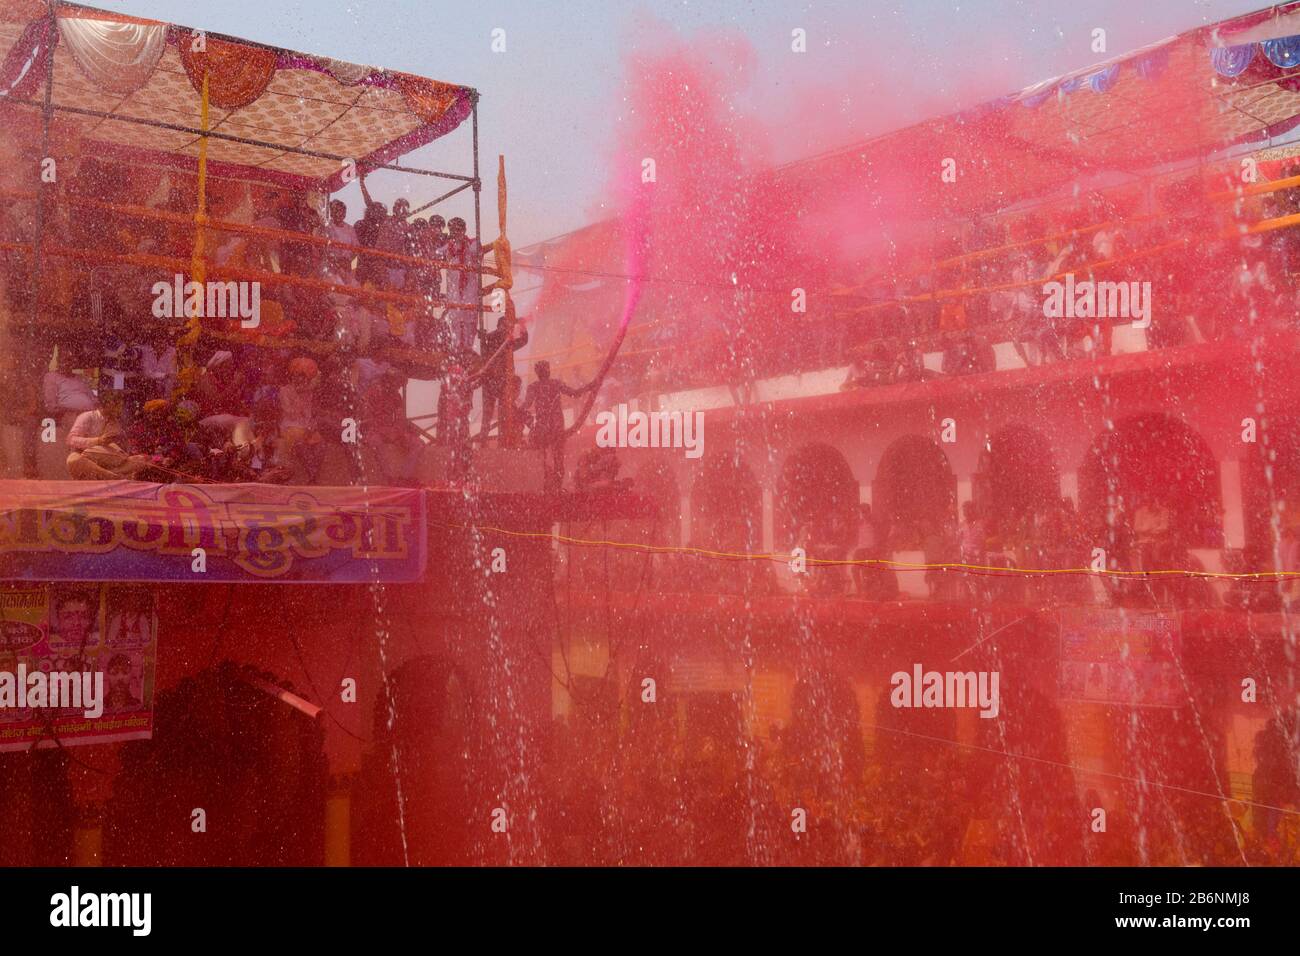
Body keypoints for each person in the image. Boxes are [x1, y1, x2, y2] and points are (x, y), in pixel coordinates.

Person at [520, 360, 592, 493]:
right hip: (554, 428)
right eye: (544, 369)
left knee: (543, 460)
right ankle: (555, 488)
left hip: (544, 428)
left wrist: (522, 416)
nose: (545, 371)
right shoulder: (554, 384)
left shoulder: (535, 387)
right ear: (547, 370)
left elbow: (526, 405)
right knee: (555, 460)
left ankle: (549, 487)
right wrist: (590, 387)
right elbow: (574, 393)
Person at [476, 302, 529, 444]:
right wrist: (519, 327)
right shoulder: (500, 339)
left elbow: (523, 341)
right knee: (497, 412)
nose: (508, 329)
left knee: (494, 412)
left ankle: (488, 439)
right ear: (501, 326)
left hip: (494, 381)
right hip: (495, 381)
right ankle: (493, 439)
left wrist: (522, 327)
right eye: (506, 326)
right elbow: (521, 340)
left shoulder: (498, 340)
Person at [443, 217, 487, 353]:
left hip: (469, 286)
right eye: (453, 230)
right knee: (455, 315)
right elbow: (436, 253)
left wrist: (464, 244)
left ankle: (468, 346)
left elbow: (477, 252)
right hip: (454, 287)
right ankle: (457, 346)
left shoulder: (473, 243)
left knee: (470, 315)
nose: (455, 233)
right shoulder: (448, 246)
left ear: (464, 230)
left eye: (458, 229)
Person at [325, 199, 358, 278]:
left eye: (342, 211)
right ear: (332, 213)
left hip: (348, 266)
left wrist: (353, 271)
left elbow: (356, 252)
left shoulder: (350, 229)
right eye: (336, 211)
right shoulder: (327, 227)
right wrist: (338, 265)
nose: (339, 214)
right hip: (332, 266)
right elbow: (326, 250)